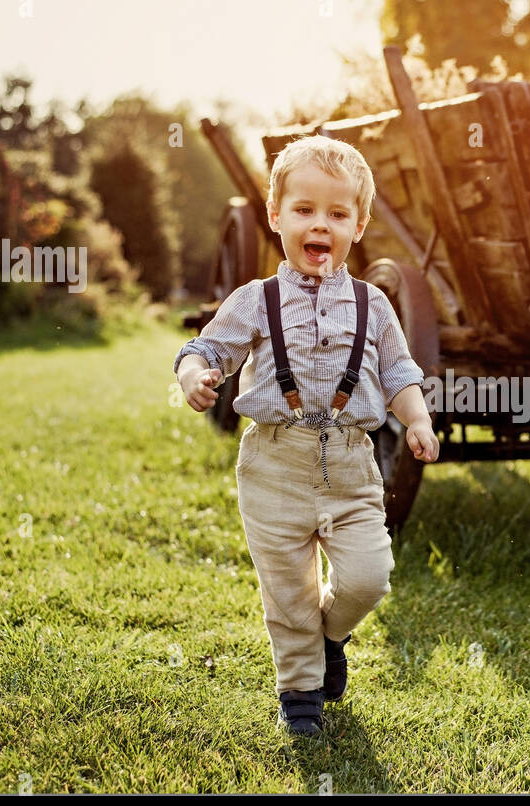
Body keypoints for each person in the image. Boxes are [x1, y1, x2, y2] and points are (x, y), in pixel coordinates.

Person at [173, 134, 440, 738]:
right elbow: (206, 346)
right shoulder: (257, 300)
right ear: (276, 217)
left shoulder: (375, 305)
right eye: (304, 210)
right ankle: (299, 691)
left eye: (337, 214)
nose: (320, 224)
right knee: (290, 592)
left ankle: (332, 635)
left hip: (350, 463)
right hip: (274, 466)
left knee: (369, 578)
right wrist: (196, 373)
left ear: (359, 226)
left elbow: (399, 371)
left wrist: (417, 418)